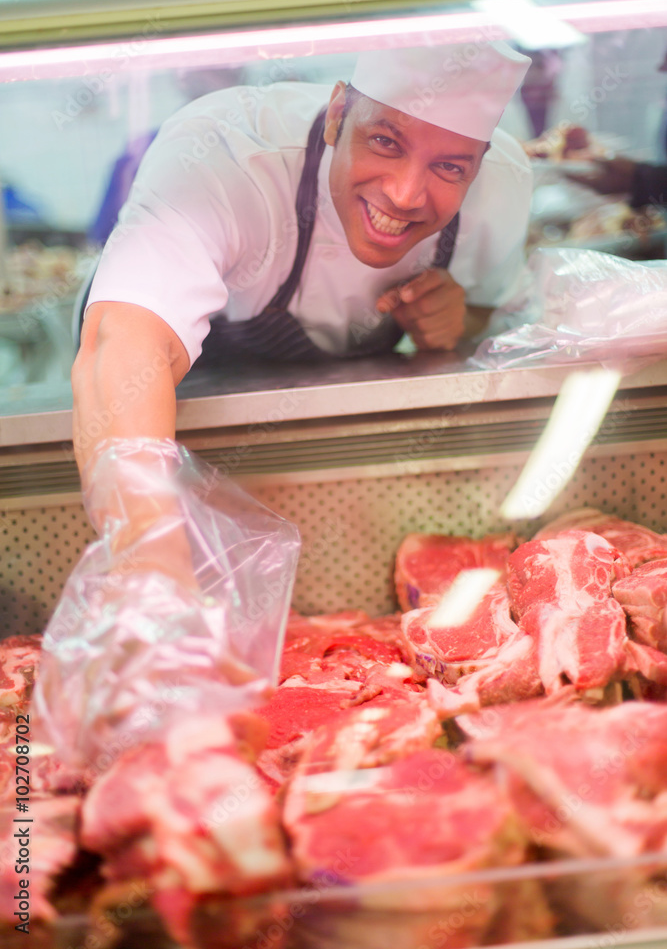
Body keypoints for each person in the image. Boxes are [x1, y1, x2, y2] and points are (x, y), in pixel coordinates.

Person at [72, 42, 532, 572]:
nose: (405, 195)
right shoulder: (227, 153)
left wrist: (452, 323)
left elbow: (486, 311)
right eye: (384, 141)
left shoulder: (502, 186)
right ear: (338, 112)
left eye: (450, 167)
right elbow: (126, 342)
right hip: (165, 434)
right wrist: (151, 565)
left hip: (341, 457)